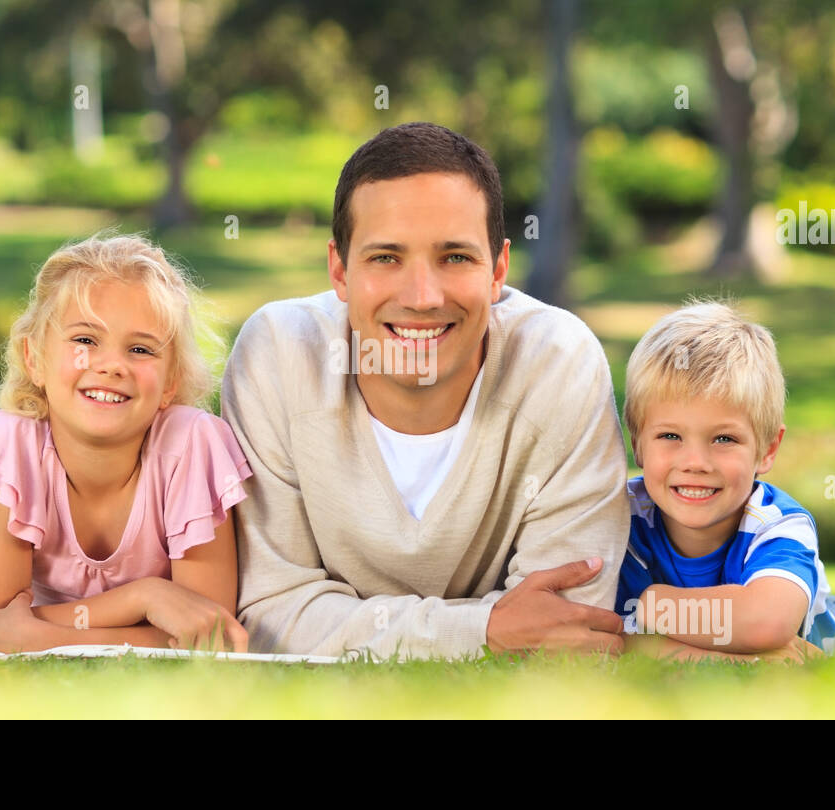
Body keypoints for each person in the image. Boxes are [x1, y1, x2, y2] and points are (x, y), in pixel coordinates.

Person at [223, 122, 631, 660]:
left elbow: (566, 628)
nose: (422, 297)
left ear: (498, 269)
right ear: (339, 271)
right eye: (386, 257)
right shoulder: (278, 356)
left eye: (455, 257)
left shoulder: (559, 366)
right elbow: (271, 613)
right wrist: (483, 631)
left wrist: (349, 629)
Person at [0, 233, 252, 654]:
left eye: (140, 349)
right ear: (35, 359)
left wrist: (45, 635)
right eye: (84, 340)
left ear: (171, 381)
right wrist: (147, 597)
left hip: (44, 617)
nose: (112, 365)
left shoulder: (192, 446)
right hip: (99, 619)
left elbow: (208, 632)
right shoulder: (12, 447)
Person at [615, 300, 835, 662]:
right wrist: (741, 660)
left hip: (816, 623)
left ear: (767, 449)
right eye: (670, 436)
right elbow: (589, 639)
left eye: (724, 439)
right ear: (637, 443)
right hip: (734, 618)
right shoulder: (618, 521)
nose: (695, 462)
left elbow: (766, 623)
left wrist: (654, 607)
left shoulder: (778, 524)